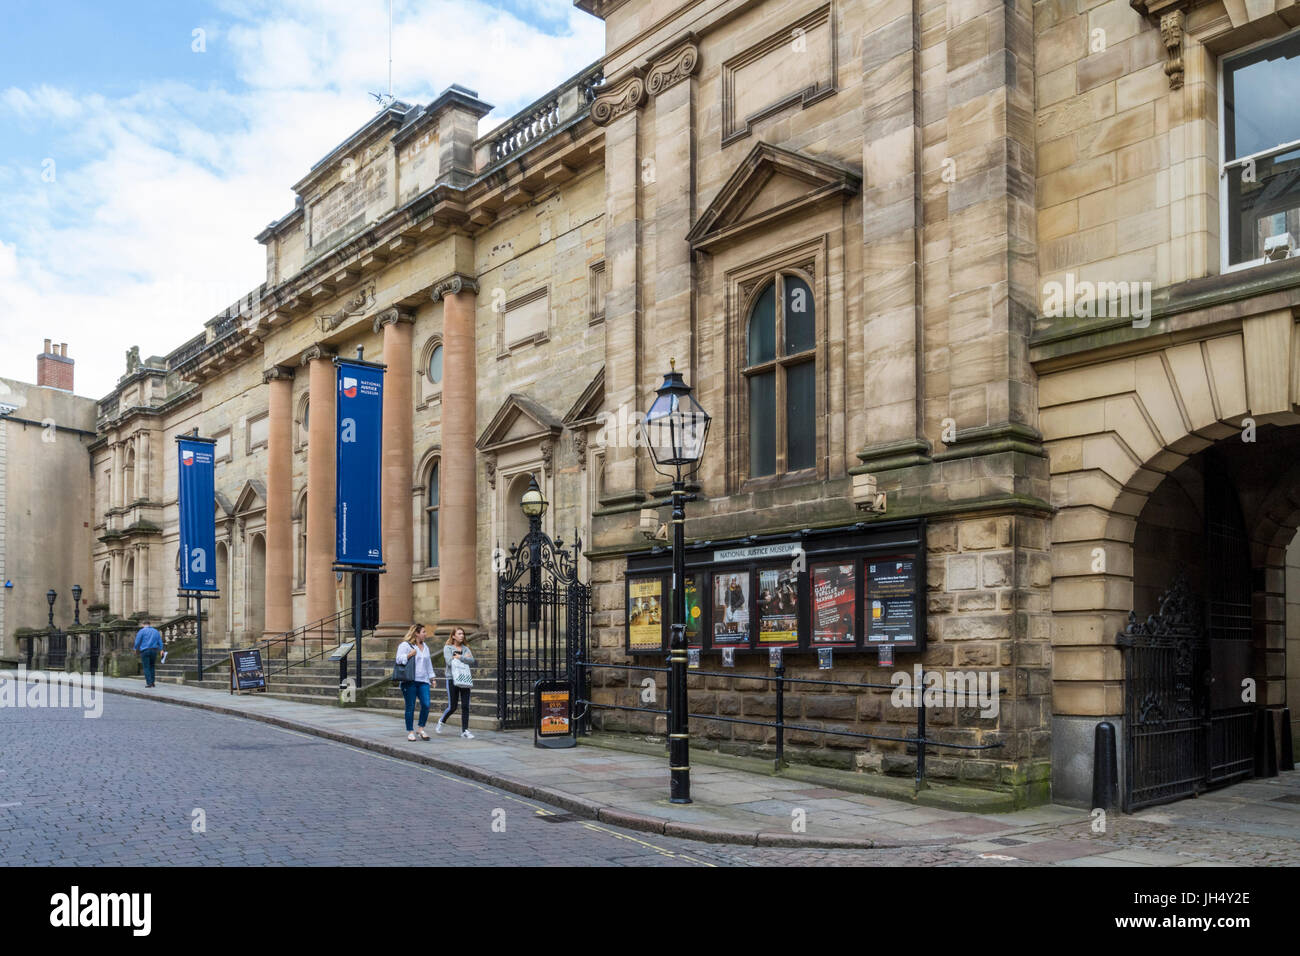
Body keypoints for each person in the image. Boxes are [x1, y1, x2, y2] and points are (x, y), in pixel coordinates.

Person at [396, 623, 434, 741]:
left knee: (426, 704)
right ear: (416, 633)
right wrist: (409, 655)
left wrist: (432, 678)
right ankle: (410, 731)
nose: (425, 634)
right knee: (410, 706)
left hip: (423, 681)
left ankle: (421, 728)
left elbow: (428, 664)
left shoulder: (425, 646)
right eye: (423, 632)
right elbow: (398, 659)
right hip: (410, 680)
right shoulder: (405, 645)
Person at [436, 626, 475, 738]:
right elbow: (449, 662)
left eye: (462, 634)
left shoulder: (466, 648)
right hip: (452, 678)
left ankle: (465, 731)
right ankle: (442, 721)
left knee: (466, 706)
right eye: (459, 634)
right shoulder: (448, 648)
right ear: (453, 636)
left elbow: (471, 660)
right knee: (453, 706)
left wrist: (459, 657)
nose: (462, 636)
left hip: (464, 678)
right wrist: (463, 657)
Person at [133, 617, 163, 687]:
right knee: (152, 666)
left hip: (145, 650)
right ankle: (152, 682)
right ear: (149, 624)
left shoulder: (141, 631)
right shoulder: (155, 631)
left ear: (143, 624)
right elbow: (160, 641)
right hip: (154, 650)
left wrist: (135, 648)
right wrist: (161, 649)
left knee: (146, 667)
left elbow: (137, 641)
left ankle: (149, 683)